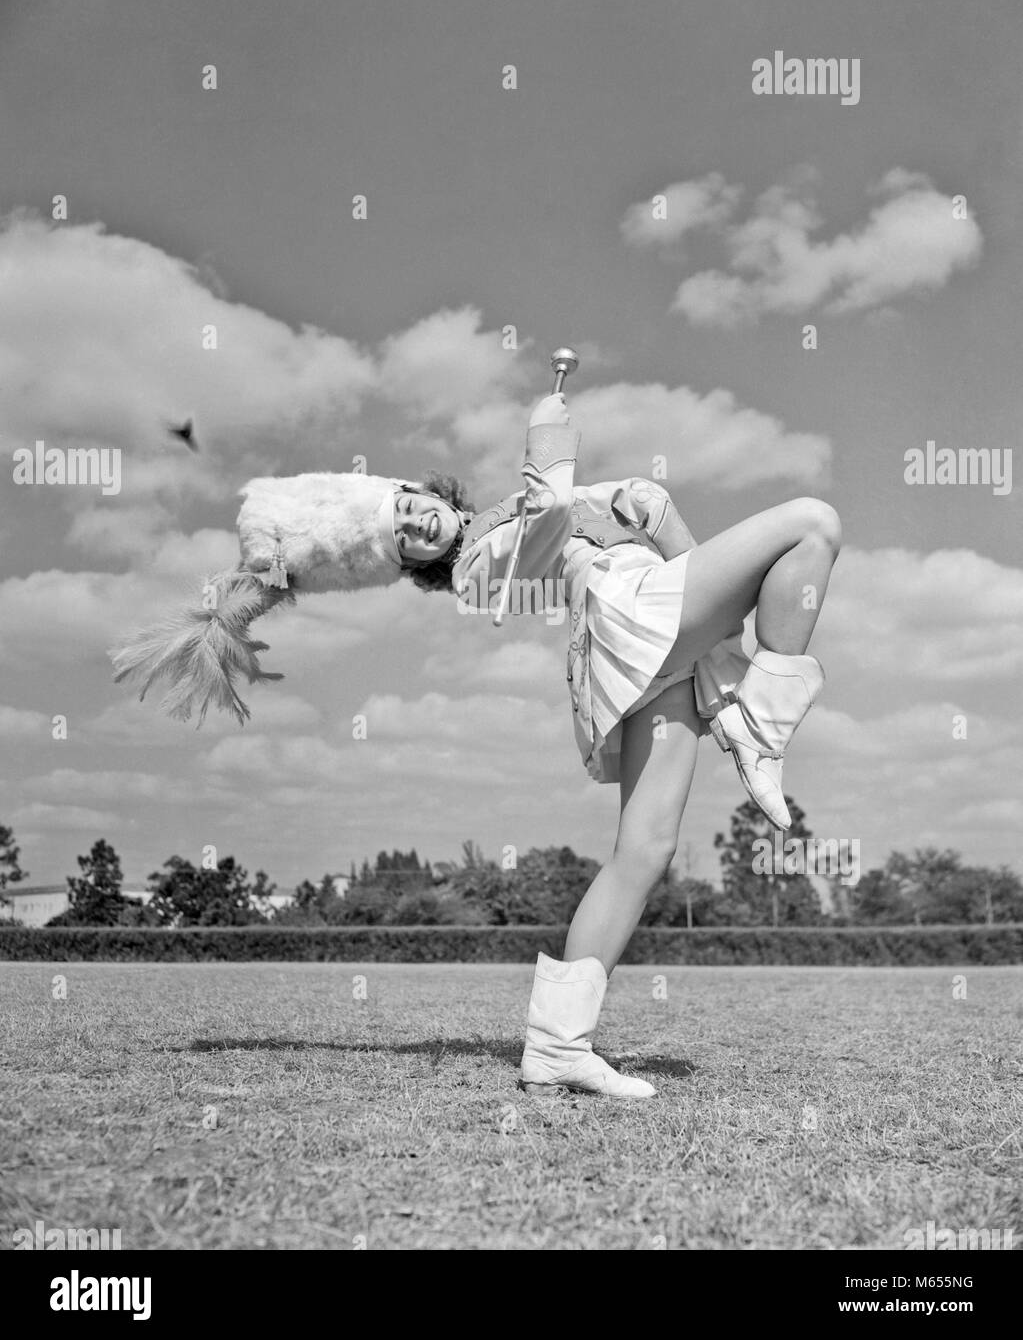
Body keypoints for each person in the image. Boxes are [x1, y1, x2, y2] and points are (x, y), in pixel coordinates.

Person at [111, 388, 840, 1101]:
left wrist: (646, 511)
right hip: (630, 619)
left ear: (421, 488)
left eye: (407, 506)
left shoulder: (499, 516)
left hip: (656, 642)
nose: (416, 524)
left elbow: (656, 534)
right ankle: (762, 724)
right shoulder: (472, 569)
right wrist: (546, 434)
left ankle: (556, 1050)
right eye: (400, 539)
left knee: (643, 852)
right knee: (811, 523)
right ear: (405, 566)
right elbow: (553, 508)